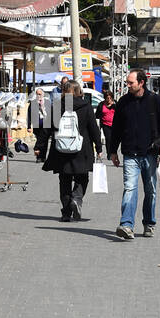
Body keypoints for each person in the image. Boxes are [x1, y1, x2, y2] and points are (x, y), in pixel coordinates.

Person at [108, 68, 160, 240]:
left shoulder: (154, 100)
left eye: (131, 83)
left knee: (150, 190)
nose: (127, 85)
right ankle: (126, 225)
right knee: (130, 188)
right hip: (130, 154)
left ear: (141, 83)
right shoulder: (123, 102)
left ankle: (149, 223)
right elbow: (116, 129)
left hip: (150, 153)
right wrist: (112, 151)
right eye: (127, 82)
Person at [44, 80, 102, 221]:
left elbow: (47, 128)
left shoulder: (57, 106)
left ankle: (65, 213)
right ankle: (76, 198)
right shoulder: (86, 106)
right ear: (78, 91)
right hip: (82, 148)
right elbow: (93, 128)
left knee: (64, 180)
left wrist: (40, 147)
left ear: (64, 91)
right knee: (82, 177)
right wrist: (99, 147)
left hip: (61, 148)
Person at [95, 89, 116, 160]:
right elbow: (97, 115)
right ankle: (109, 153)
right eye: (107, 98)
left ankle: (113, 152)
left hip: (114, 124)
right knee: (108, 138)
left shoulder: (115, 104)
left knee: (114, 139)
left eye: (110, 98)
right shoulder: (101, 104)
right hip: (105, 124)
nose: (109, 99)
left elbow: (120, 114)